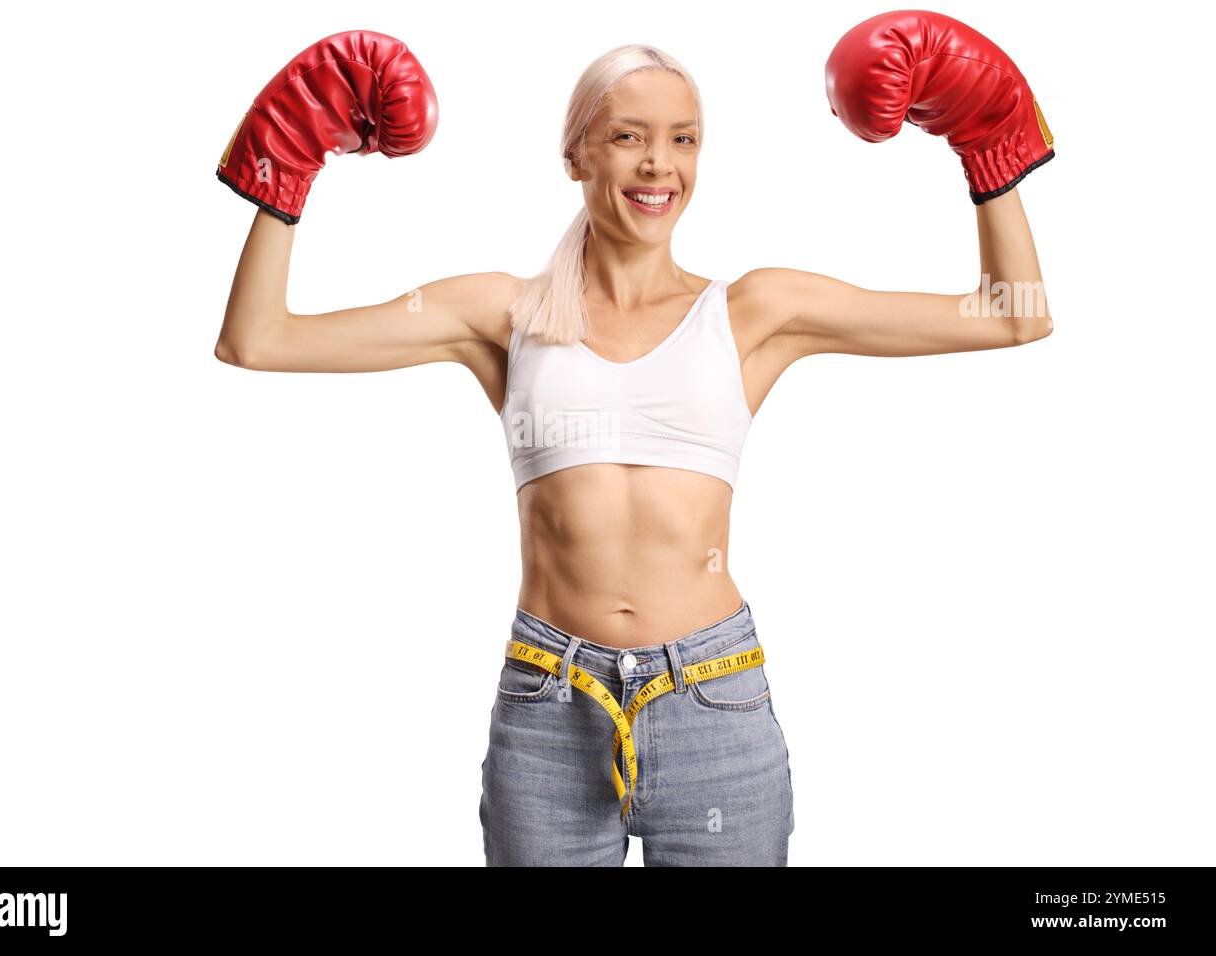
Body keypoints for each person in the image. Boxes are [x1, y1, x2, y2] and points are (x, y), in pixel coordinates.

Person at [214, 13, 1054, 866]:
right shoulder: (500, 313)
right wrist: (287, 163)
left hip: (713, 704)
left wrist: (988, 146)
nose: (660, 164)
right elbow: (260, 338)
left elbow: (1013, 316)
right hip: (549, 706)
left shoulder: (756, 311)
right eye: (628, 137)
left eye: (683, 139)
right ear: (577, 155)